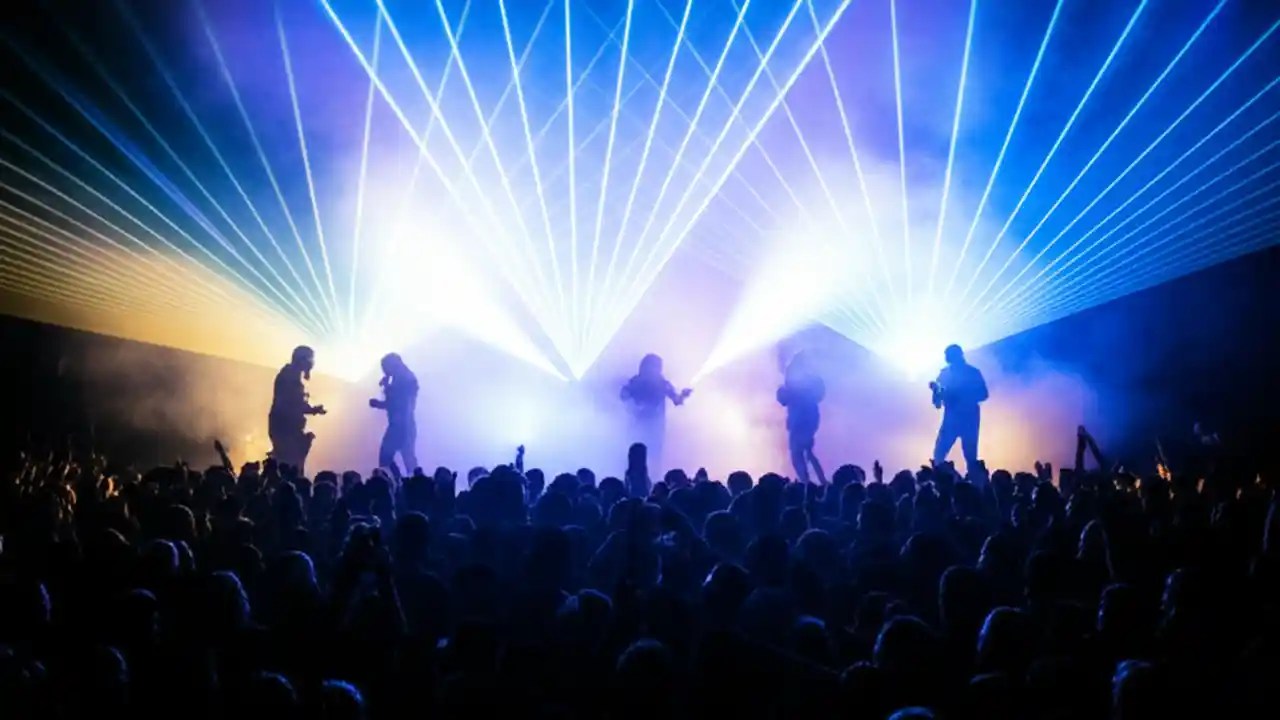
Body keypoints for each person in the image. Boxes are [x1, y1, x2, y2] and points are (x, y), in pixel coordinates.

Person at [619, 353, 691, 475]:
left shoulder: (662, 383)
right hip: (638, 424)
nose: (655, 369)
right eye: (653, 366)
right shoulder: (636, 381)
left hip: (655, 426)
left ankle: (653, 480)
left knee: (654, 456)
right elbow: (623, 395)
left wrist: (684, 395)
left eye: (657, 367)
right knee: (636, 455)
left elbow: (676, 400)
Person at [269, 345, 326, 474]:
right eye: (310, 359)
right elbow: (293, 404)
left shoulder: (290, 375)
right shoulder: (290, 377)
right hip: (286, 430)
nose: (312, 363)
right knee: (291, 468)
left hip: (285, 428)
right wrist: (313, 410)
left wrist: (312, 410)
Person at [929, 344, 988, 470]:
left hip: (968, 418)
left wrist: (961, 395)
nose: (947, 358)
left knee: (970, 457)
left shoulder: (972, 372)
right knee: (939, 454)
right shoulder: (944, 374)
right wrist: (936, 392)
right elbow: (937, 404)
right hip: (951, 418)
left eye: (949, 355)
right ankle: (940, 483)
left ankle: (975, 486)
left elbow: (984, 394)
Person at [776, 352, 827, 485]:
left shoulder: (809, 381)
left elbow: (785, 399)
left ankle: (810, 483)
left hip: (802, 420)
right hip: (803, 420)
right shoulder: (810, 380)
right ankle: (812, 482)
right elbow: (784, 399)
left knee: (801, 452)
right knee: (804, 452)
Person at [369, 352, 419, 479]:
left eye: (385, 367)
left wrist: (379, 403)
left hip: (401, 424)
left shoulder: (404, 379)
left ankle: (399, 483)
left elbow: (399, 404)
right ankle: (410, 483)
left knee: (387, 457)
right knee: (406, 457)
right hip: (403, 424)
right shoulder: (403, 378)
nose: (384, 371)